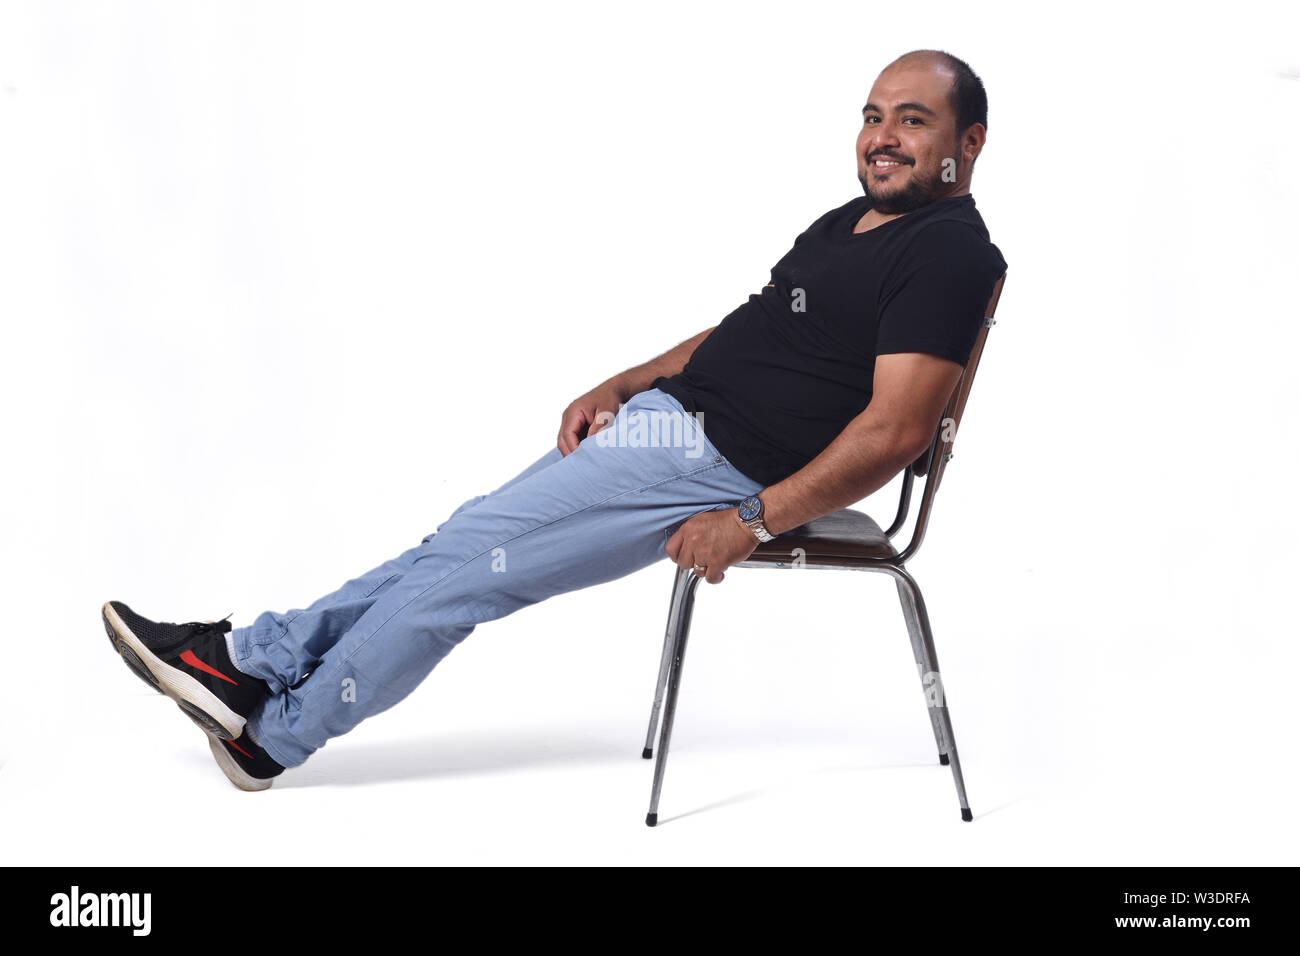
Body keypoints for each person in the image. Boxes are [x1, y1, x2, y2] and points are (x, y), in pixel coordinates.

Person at [101, 49, 1008, 791]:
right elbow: (752, 326)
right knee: (461, 544)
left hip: (717, 465)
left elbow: (896, 433)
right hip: (669, 429)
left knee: (468, 575)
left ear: (967, 141)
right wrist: (624, 382)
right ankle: (253, 664)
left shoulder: (949, 255)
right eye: (873, 115)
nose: (883, 138)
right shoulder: (851, 221)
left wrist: (751, 519)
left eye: (913, 120)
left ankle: (275, 730)